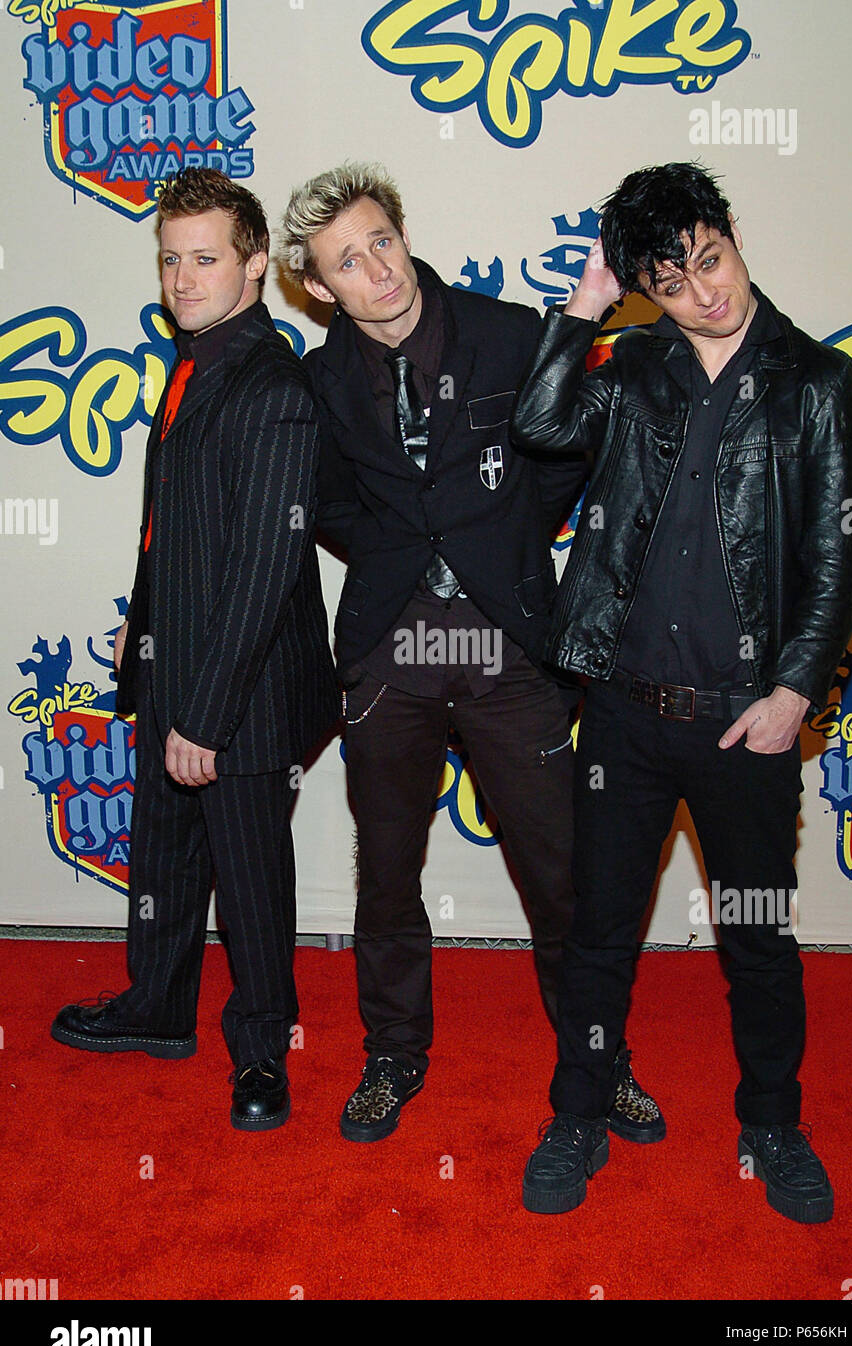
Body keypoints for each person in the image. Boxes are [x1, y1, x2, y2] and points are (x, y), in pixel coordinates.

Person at [512, 162, 852, 1221]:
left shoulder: (815, 380)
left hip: (745, 724)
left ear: (730, 235)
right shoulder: (630, 367)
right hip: (624, 711)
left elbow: (839, 559)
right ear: (645, 291)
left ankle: (773, 1120)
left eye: (710, 260)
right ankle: (578, 1107)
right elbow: (539, 427)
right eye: (673, 282)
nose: (705, 292)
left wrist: (797, 691)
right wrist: (584, 309)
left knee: (757, 937)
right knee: (600, 933)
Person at [280, 162, 664, 1144]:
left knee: (562, 873)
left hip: (507, 645)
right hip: (392, 648)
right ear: (319, 287)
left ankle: (598, 1057)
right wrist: (398, 549)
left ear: (402, 234)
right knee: (388, 874)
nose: (377, 270)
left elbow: (569, 451)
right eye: (347, 263)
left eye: (381, 241)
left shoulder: (507, 334)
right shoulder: (318, 380)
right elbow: (321, 499)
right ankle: (393, 1054)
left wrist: (499, 537)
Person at [51, 169, 339, 1132]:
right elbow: (172, 526)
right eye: (171, 260)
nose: (183, 277)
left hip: (243, 691)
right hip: (176, 660)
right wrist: (142, 622)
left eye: (205, 258)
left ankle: (262, 1054)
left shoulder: (270, 386)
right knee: (164, 859)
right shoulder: (195, 366)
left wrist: (206, 718)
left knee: (251, 877)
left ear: (257, 265)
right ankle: (158, 1005)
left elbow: (264, 568)